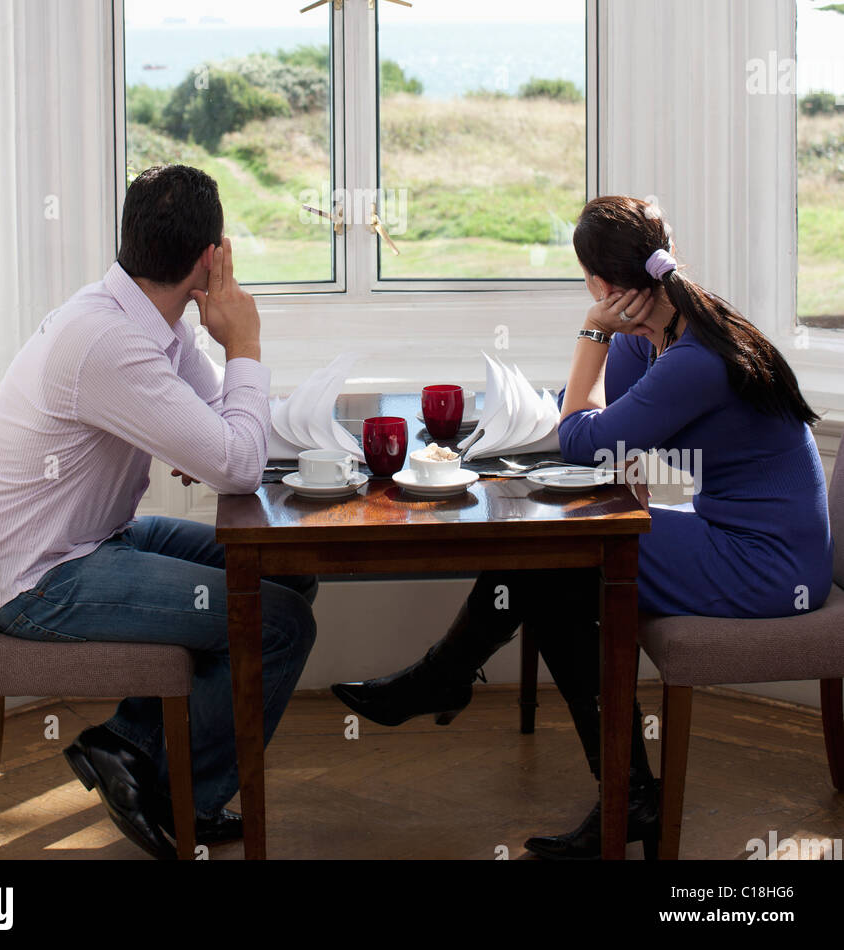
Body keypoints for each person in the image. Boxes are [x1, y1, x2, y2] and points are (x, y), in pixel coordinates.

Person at [331, 195, 833, 859]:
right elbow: (604, 430)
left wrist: (591, 332)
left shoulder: (694, 356)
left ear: (600, 284)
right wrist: (609, 363)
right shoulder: (669, 328)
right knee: (555, 565)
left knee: (557, 559)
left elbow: (581, 441)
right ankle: (619, 788)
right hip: (743, 535)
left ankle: (448, 681)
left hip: (768, 564)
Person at [0, 164, 317, 860]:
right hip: (45, 580)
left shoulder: (139, 317)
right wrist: (244, 344)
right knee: (275, 624)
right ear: (209, 260)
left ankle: (125, 744)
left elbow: (224, 434)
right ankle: (177, 796)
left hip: (95, 541)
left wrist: (210, 437)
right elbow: (239, 461)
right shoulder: (111, 343)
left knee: (287, 569)